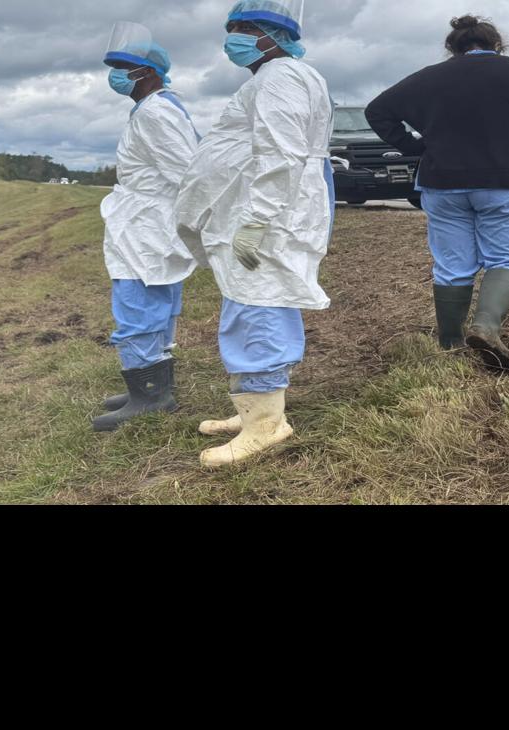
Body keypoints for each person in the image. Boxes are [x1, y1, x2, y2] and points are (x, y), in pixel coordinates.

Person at [175, 0, 335, 467]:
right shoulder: (281, 76)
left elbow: (280, 153)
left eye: (245, 28)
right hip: (265, 212)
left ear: (273, 34)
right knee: (254, 303)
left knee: (257, 307)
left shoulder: (281, 76)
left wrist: (256, 221)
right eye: (232, 28)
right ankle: (255, 411)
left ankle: (267, 424)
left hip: (266, 216)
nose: (234, 37)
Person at [366, 14, 509, 372]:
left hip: (443, 182)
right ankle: (485, 327)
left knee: (453, 266)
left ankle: (450, 345)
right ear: (496, 45)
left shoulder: (428, 77)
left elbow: (377, 111)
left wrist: (413, 146)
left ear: (452, 49)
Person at [93, 22, 200, 432]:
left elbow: (186, 172)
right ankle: (152, 386)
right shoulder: (153, 109)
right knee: (153, 301)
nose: (117, 74)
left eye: (125, 65)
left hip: (146, 227)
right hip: (146, 224)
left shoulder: (156, 112)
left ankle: (149, 393)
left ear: (149, 71)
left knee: (137, 304)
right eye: (115, 64)